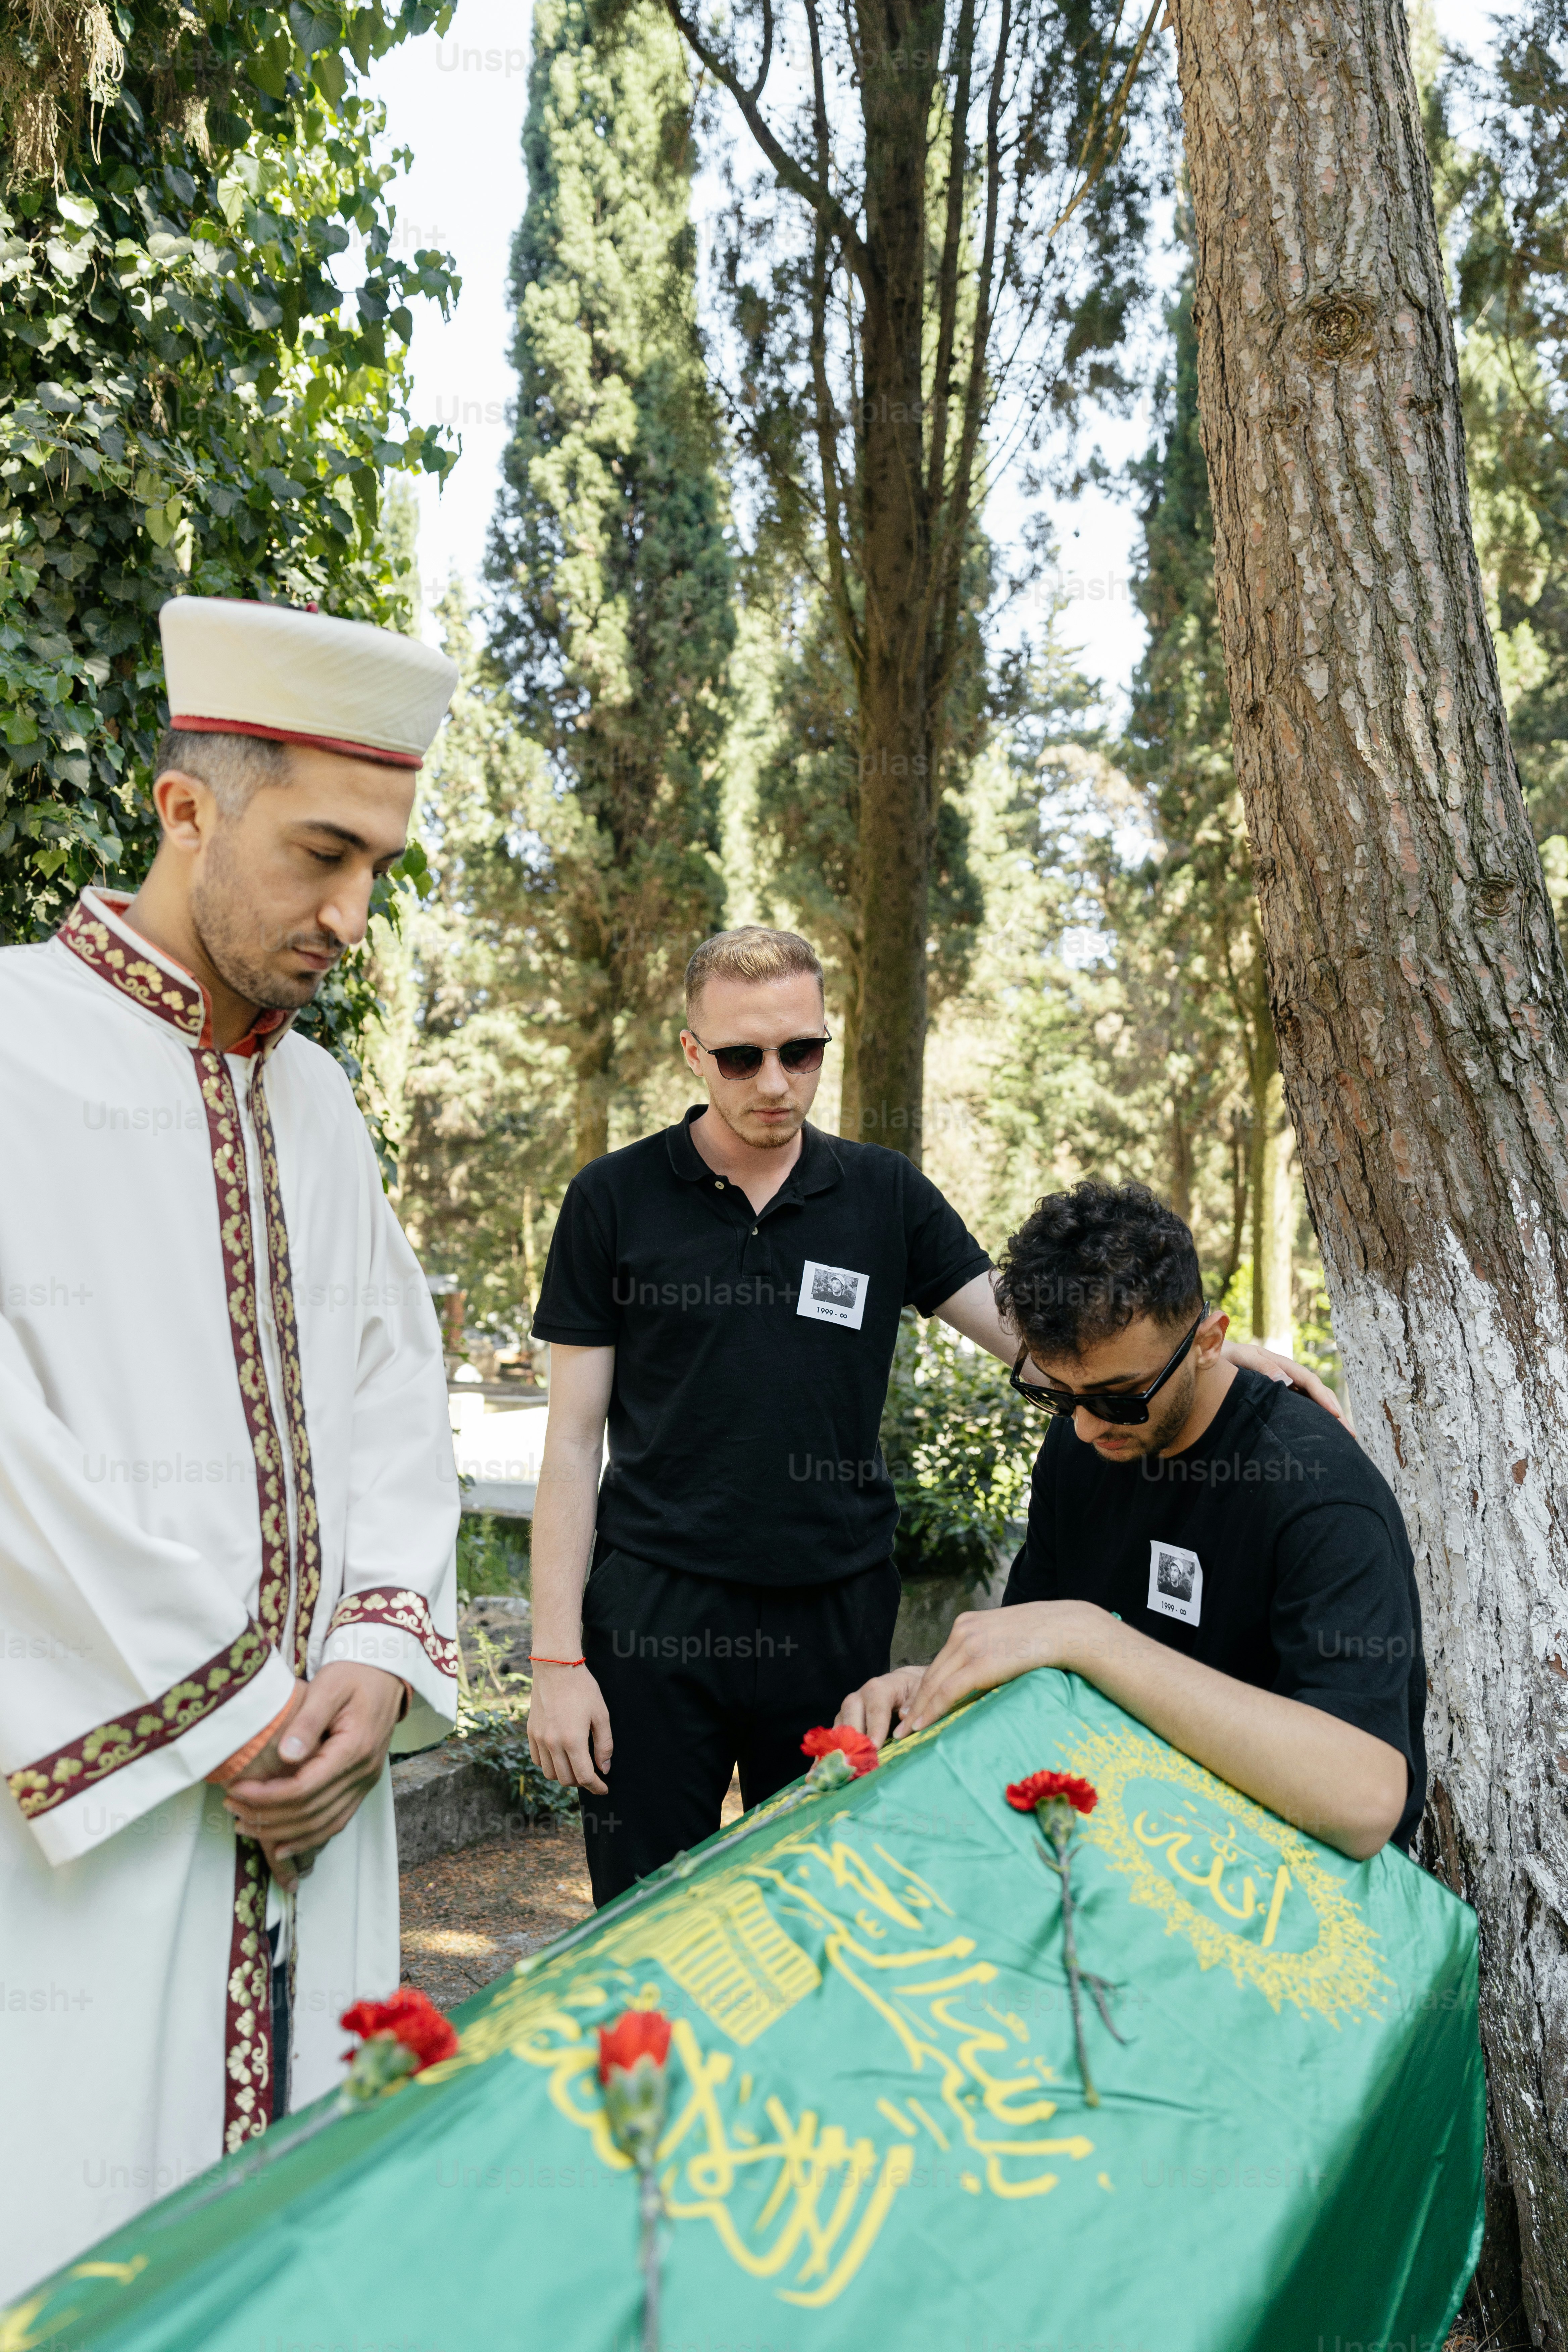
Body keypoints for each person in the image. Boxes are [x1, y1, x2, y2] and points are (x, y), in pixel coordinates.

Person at [526, 931, 1338, 1900]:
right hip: (652, 1621)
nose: (776, 1082)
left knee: (822, 1912)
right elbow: (570, 1444)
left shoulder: (884, 1195)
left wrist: (1196, 1352)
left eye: (802, 1051)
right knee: (642, 1918)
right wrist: (556, 1662)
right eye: (742, 1057)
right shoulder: (612, 1200)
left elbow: (1034, 1337)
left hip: (832, 1622)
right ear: (692, 1054)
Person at [0, 597, 461, 2298]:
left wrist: (376, 1654)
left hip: (323, 1809)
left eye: (378, 869)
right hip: (92, 1823)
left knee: (297, 2268)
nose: (350, 916)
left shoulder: (319, 1106)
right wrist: (230, 1709)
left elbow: (395, 1400)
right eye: (321, 855)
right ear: (185, 807)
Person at [839, 1181, 1425, 1860]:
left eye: (1119, 1398)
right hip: (1120, 1843)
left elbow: (1364, 1802)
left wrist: (1095, 1640)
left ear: (1209, 1342)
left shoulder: (1315, 1492)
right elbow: (1033, 1662)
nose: (1087, 1428)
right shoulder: (1081, 1445)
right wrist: (933, 1689)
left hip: (1277, 1882)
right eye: (1058, 1396)